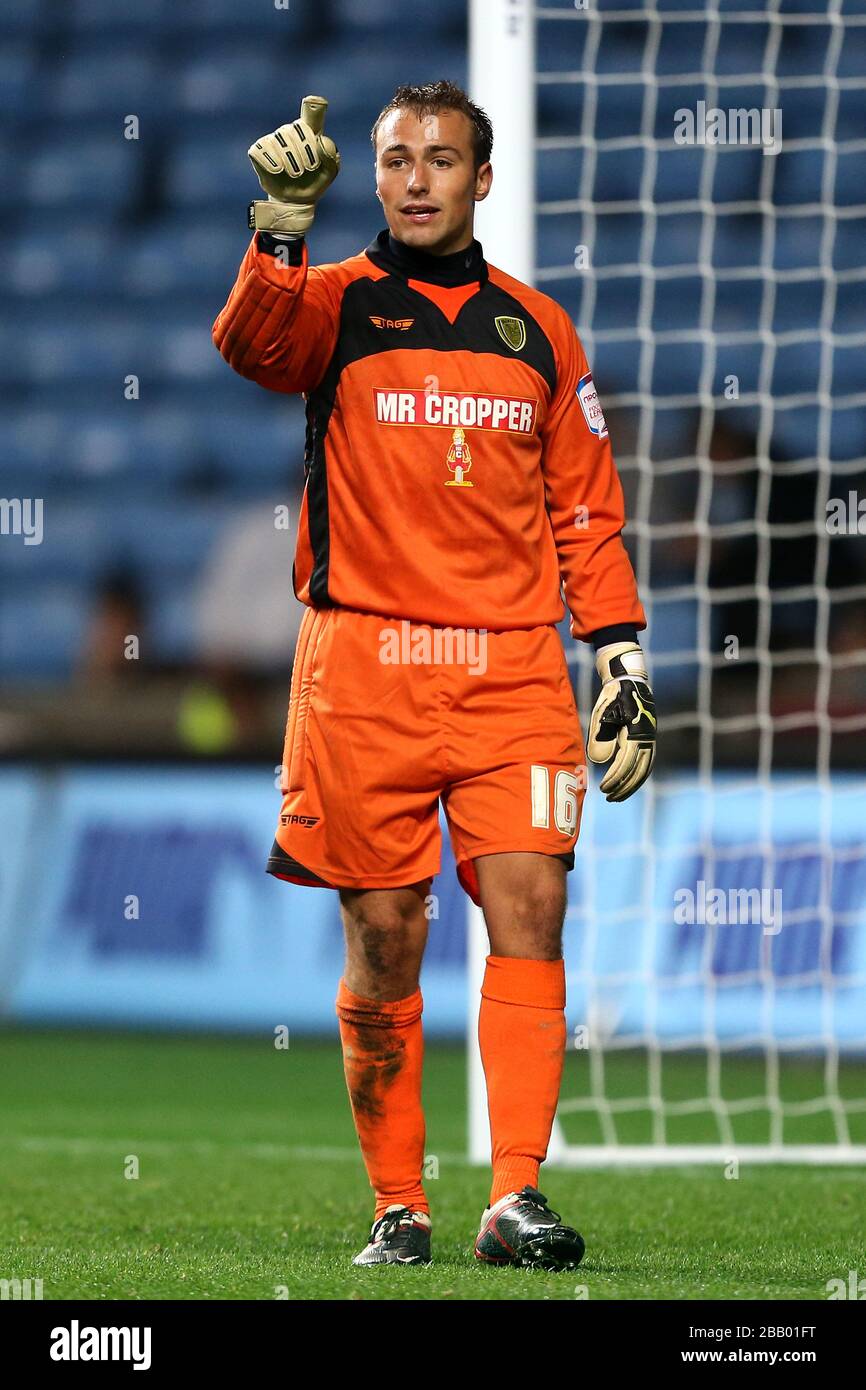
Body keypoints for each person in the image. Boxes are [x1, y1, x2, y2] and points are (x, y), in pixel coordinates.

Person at [214, 80, 656, 1272]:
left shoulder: (538, 333)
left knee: (533, 904)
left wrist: (617, 653)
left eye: (440, 159)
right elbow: (252, 346)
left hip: (511, 666)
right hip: (363, 661)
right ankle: (396, 1203)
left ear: (482, 180)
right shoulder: (331, 305)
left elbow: (583, 511)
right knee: (387, 933)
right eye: (395, 157)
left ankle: (514, 1195)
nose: (415, 178)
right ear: (371, 174)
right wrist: (276, 228)